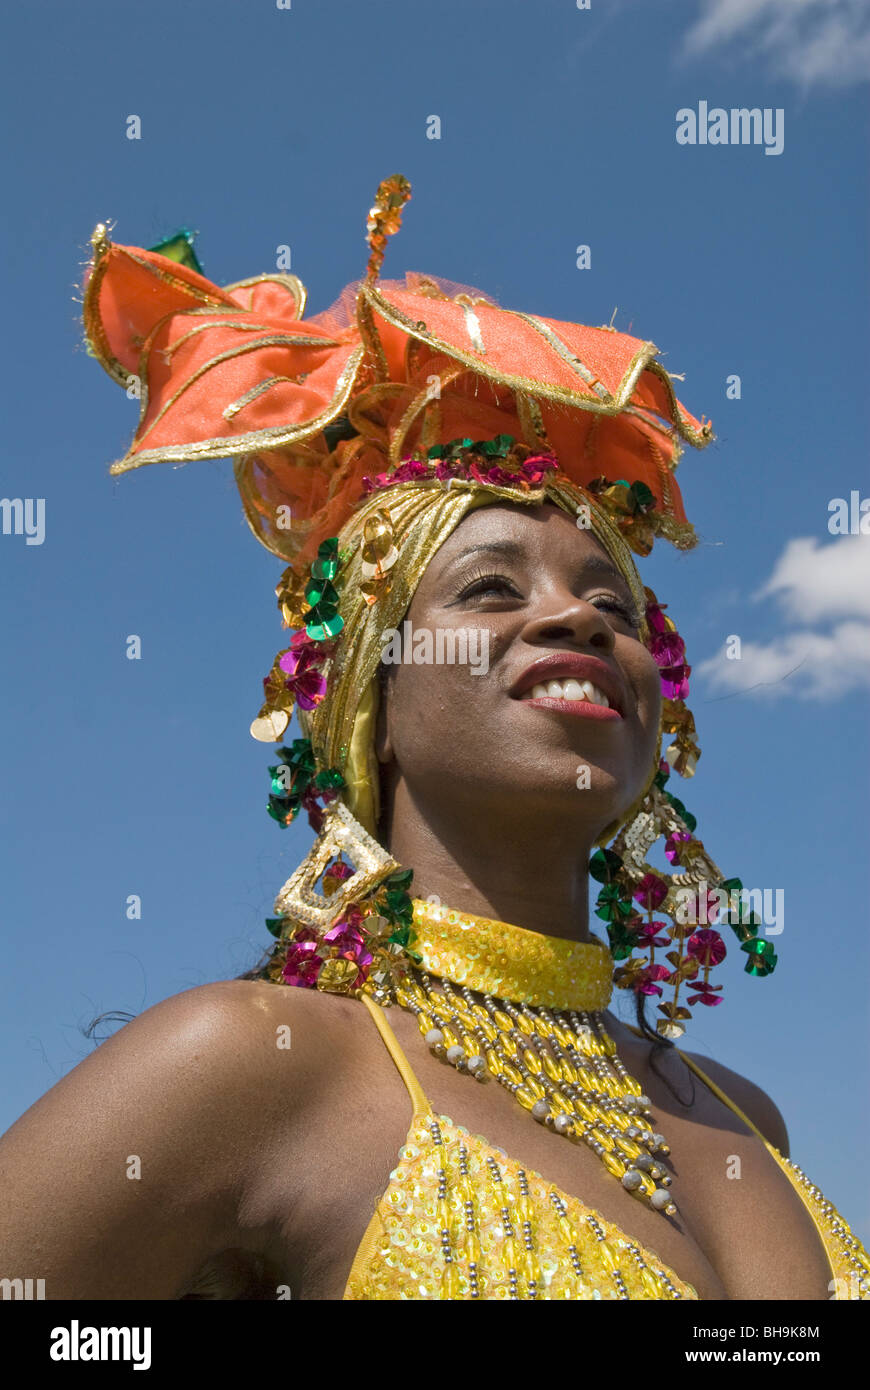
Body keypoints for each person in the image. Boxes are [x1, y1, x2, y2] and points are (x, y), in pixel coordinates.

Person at [0, 176, 866, 1302]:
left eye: (615, 606)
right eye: (490, 588)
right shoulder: (252, 1066)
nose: (575, 619)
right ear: (371, 687)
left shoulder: (745, 1111)